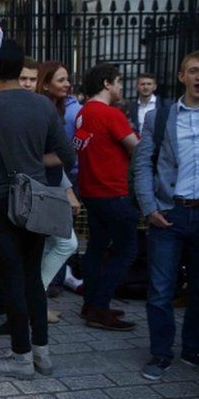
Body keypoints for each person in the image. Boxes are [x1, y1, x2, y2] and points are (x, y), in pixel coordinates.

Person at [133, 50, 199, 381]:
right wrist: (149, 207)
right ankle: (161, 353)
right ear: (181, 76)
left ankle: (194, 350)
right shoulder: (160, 117)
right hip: (170, 213)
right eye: (193, 70)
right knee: (161, 290)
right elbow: (141, 163)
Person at [0, 39, 76, 380]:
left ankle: (20, 357)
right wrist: (34, 162)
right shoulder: (43, 106)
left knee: (12, 279)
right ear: (20, 67)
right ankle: (42, 353)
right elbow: (67, 155)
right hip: (36, 199)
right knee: (33, 276)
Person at [73, 63, 140, 331]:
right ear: (106, 84)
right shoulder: (111, 114)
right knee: (126, 250)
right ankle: (99, 307)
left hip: (91, 191)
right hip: (113, 192)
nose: (121, 86)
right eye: (119, 81)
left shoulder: (82, 113)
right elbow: (137, 147)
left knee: (96, 249)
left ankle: (91, 304)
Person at [35, 61, 82, 322]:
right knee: (68, 243)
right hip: (43, 189)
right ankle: (34, 299)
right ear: (46, 84)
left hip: (53, 187)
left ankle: (36, 302)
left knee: (47, 248)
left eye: (67, 79)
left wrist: (69, 190)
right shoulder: (43, 111)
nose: (67, 84)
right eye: (61, 80)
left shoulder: (57, 109)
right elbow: (51, 155)